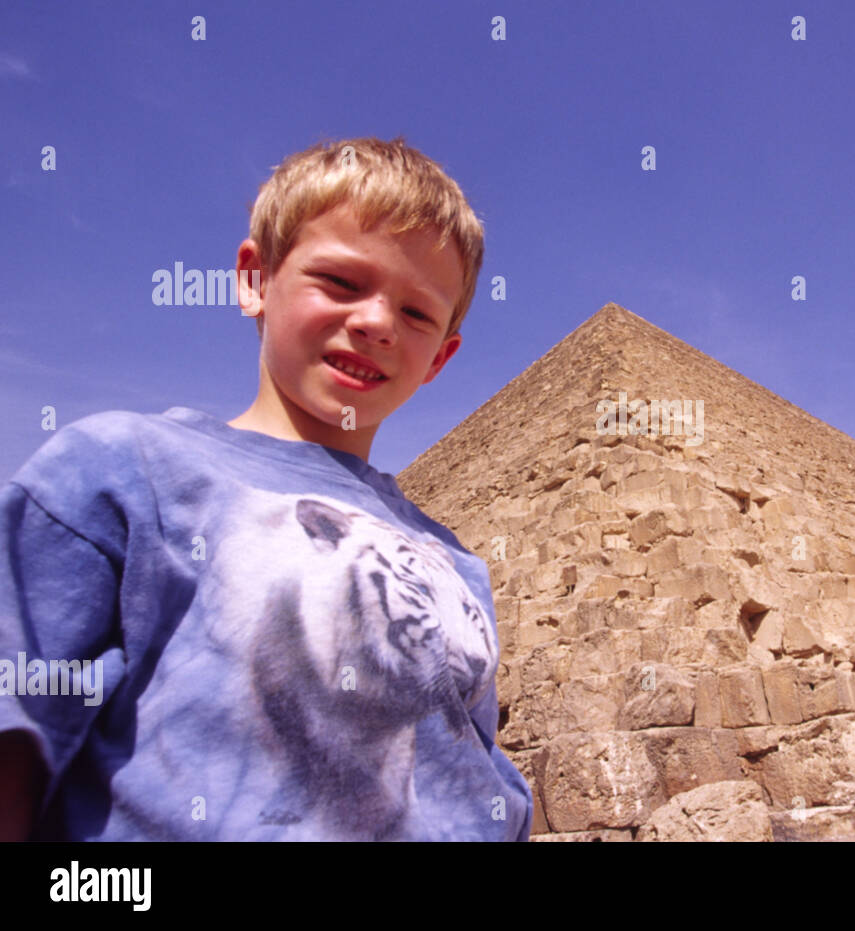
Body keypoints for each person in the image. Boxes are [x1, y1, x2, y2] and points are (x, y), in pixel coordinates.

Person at [0, 136, 533, 841]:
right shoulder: (117, 469)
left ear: (441, 356)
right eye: (341, 282)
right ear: (253, 278)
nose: (375, 322)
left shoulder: (459, 565)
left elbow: (471, 775)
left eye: (416, 314)